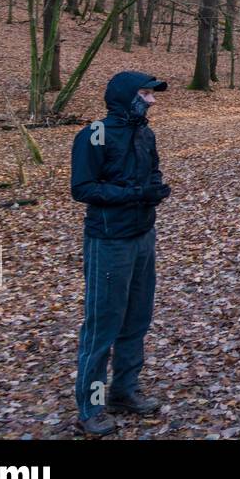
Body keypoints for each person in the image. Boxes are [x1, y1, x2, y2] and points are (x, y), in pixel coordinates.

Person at [71, 71, 172, 436]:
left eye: (151, 94)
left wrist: (156, 188)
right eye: (145, 94)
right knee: (103, 324)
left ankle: (124, 392)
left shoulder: (145, 133)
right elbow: (82, 188)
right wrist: (133, 195)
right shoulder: (94, 134)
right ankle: (91, 408)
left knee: (137, 319)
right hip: (109, 240)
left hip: (143, 235)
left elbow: (153, 171)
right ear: (127, 97)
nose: (152, 100)